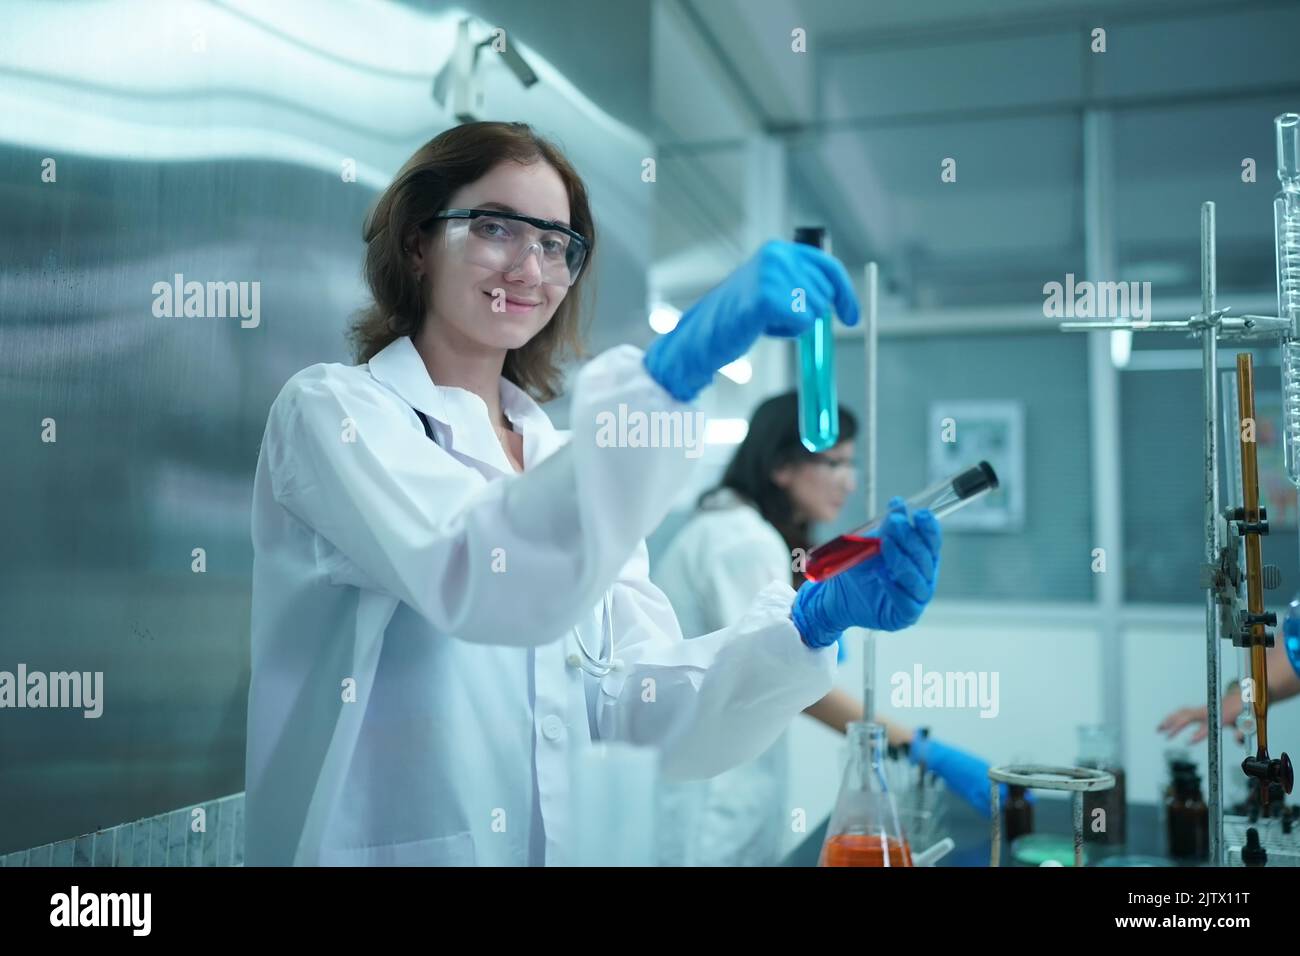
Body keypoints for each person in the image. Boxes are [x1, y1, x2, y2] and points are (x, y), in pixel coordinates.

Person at [244, 121, 942, 866]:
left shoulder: (561, 456)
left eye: (556, 243)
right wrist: (666, 379)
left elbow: (634, 712)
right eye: (494, 227)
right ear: (417, 243)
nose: (531, 266)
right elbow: (474, 570)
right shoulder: (334, 412)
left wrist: (805, 627)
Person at [652, 393, 1002, 865]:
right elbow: (779, 673)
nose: (850, 482)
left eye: (851, 464)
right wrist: (921, 749)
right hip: (711, 805)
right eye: (834, 463)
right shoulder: (741, 540)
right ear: (781, 467)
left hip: (730, 786)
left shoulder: (750, 532)